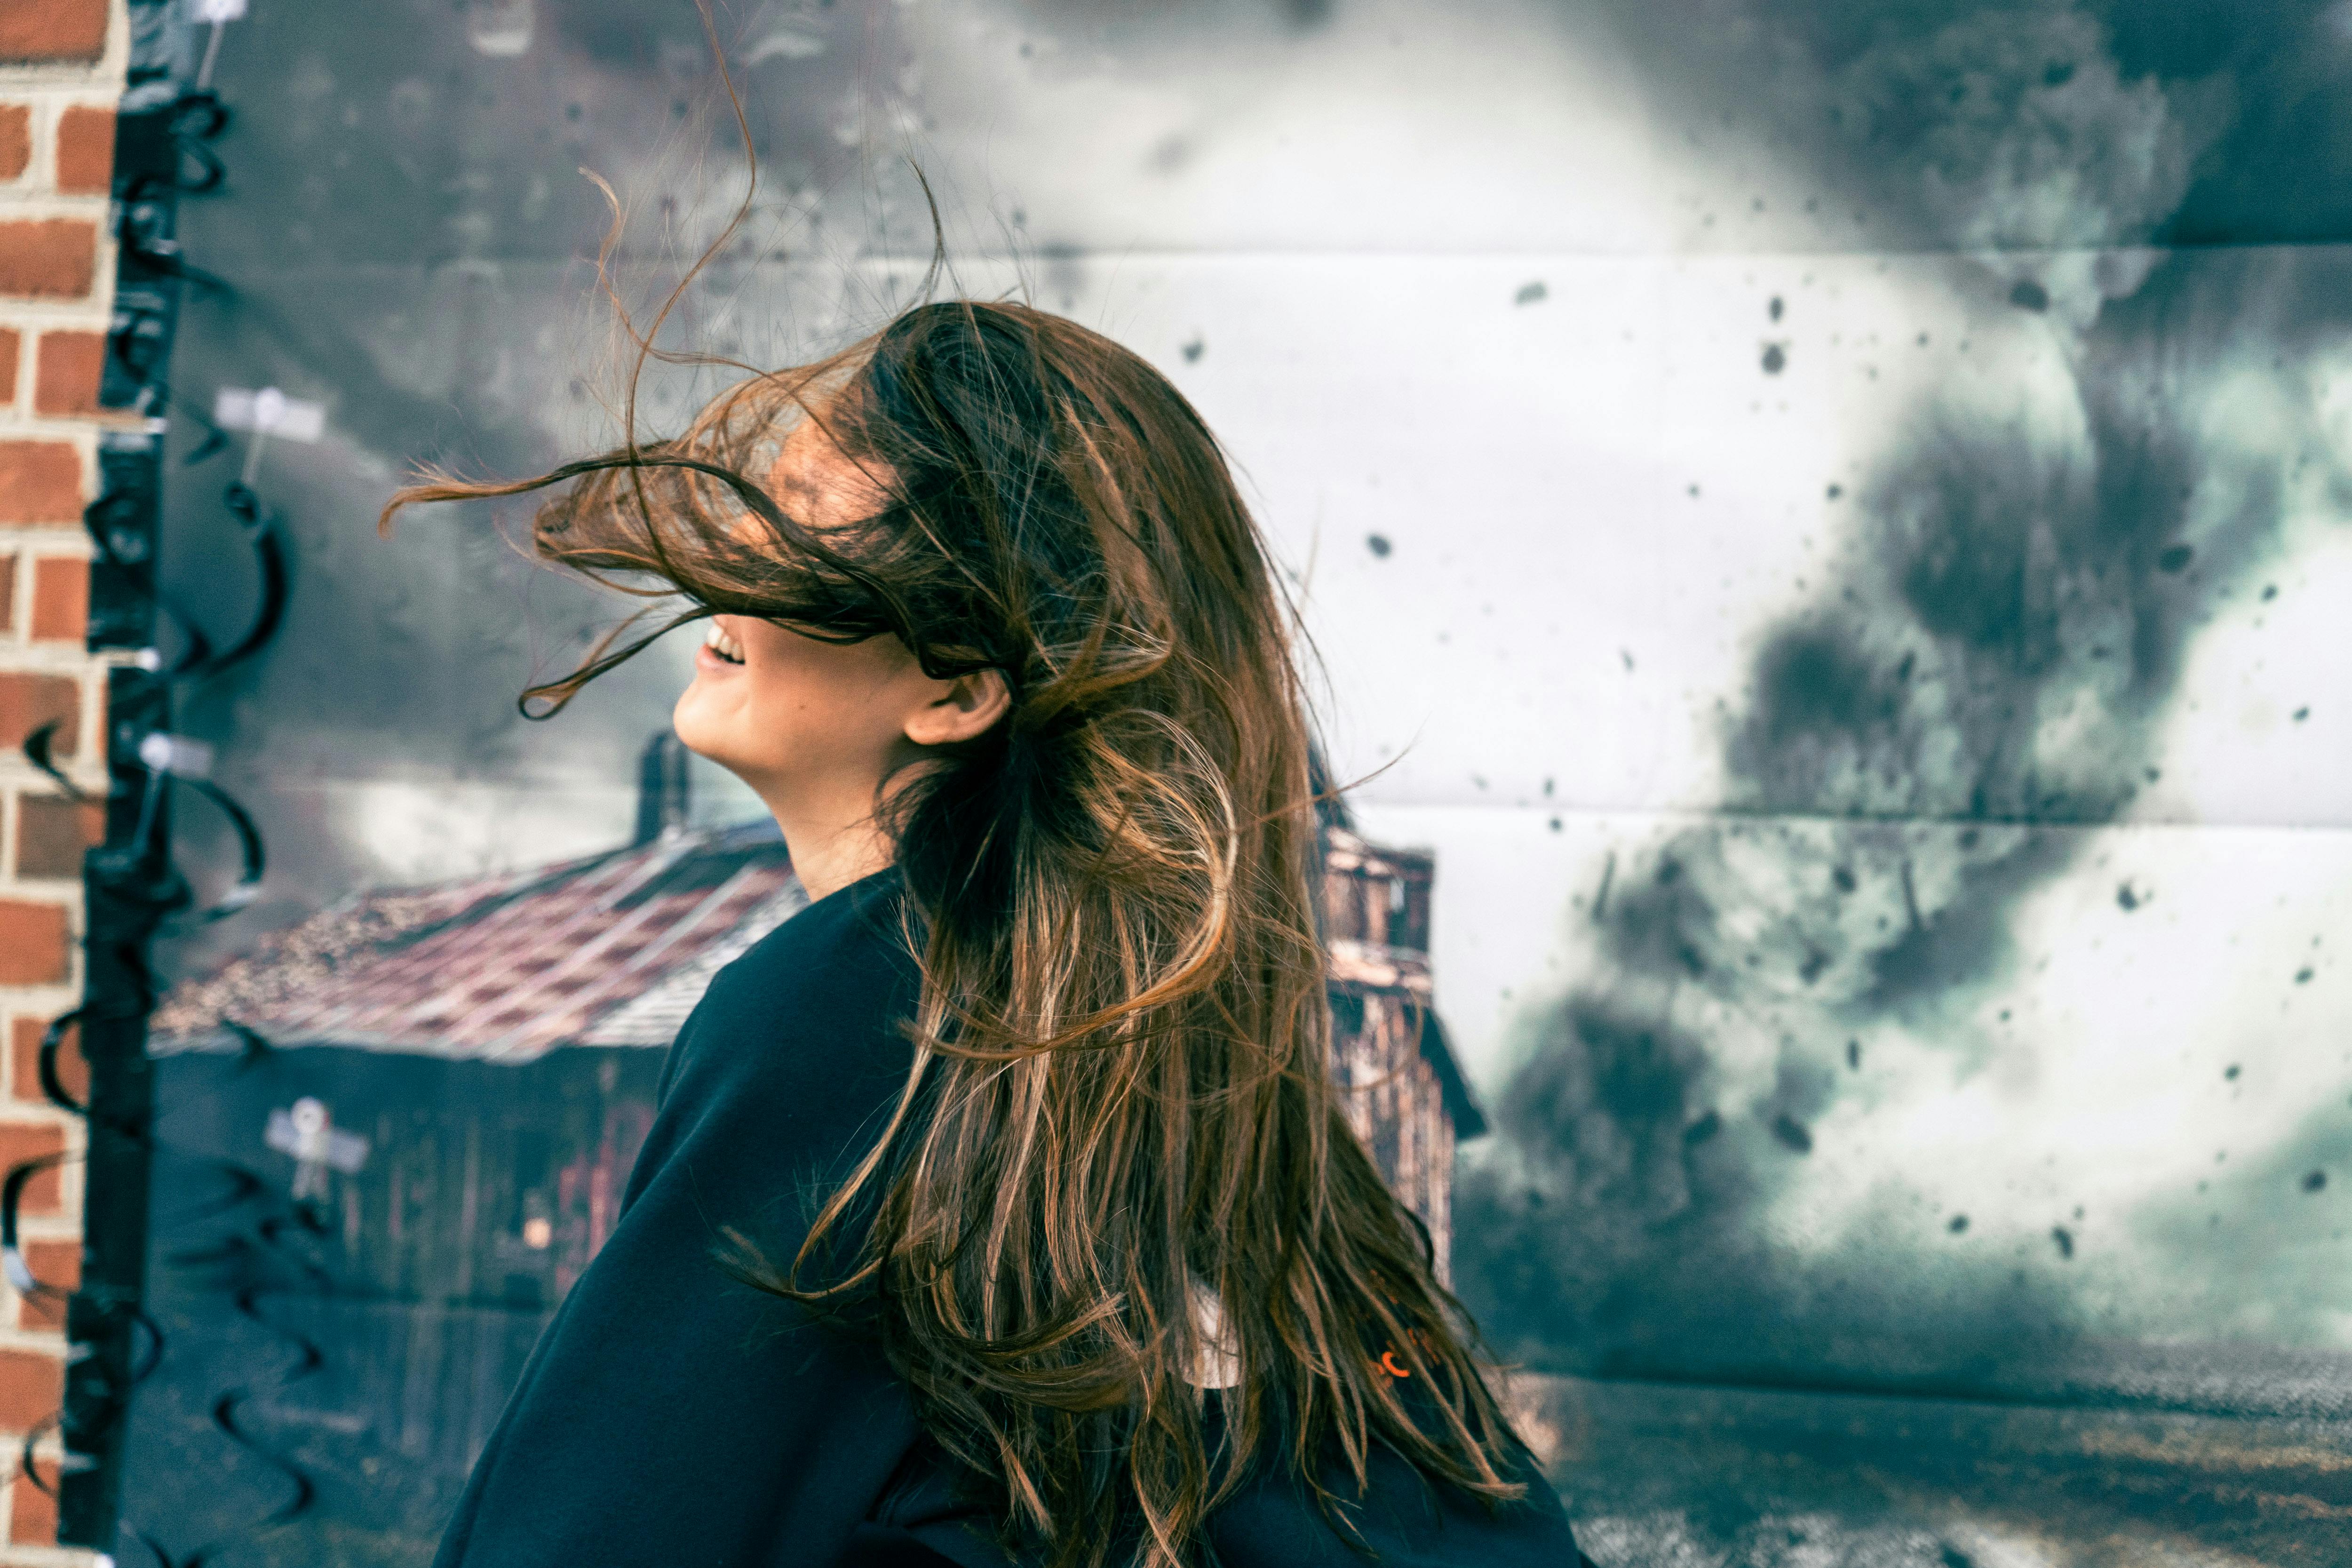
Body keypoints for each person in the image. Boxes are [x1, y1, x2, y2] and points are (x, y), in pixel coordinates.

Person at [382, 294, 1583, 1567]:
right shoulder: (1185, 1054)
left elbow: (575, 1538)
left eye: (792, 536)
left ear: (957, 689)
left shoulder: (848, 1011)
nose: (724, 567)